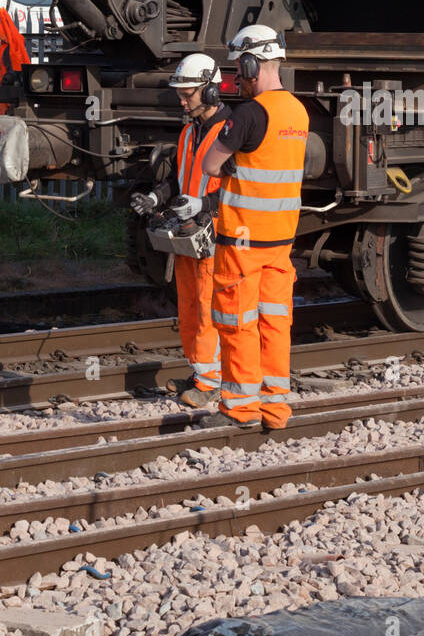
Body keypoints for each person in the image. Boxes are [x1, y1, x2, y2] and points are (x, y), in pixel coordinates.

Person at [198, 24, 308, 431]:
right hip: (281, 241)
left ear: (250, 63)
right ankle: (276, 409)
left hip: (242, 241)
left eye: (238, 70)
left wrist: (231, 164)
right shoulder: (298, 110)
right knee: (276, 322)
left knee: (236, 322)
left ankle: (240, 409)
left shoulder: (249, 113)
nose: (236, 79)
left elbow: (210, 164)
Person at [131, 53, 231, 407]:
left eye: (188, 93)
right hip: (189, 232)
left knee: (207, 306)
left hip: (212, 231)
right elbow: (179, 180)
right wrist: (154, 198)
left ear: (211, 91)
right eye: (181, 93)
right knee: (189, 304)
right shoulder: (190, 131)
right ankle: (201, 372)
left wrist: (203, 207)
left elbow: (239, 189)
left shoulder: (229, 132)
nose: (183, 99)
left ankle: (211, 382)